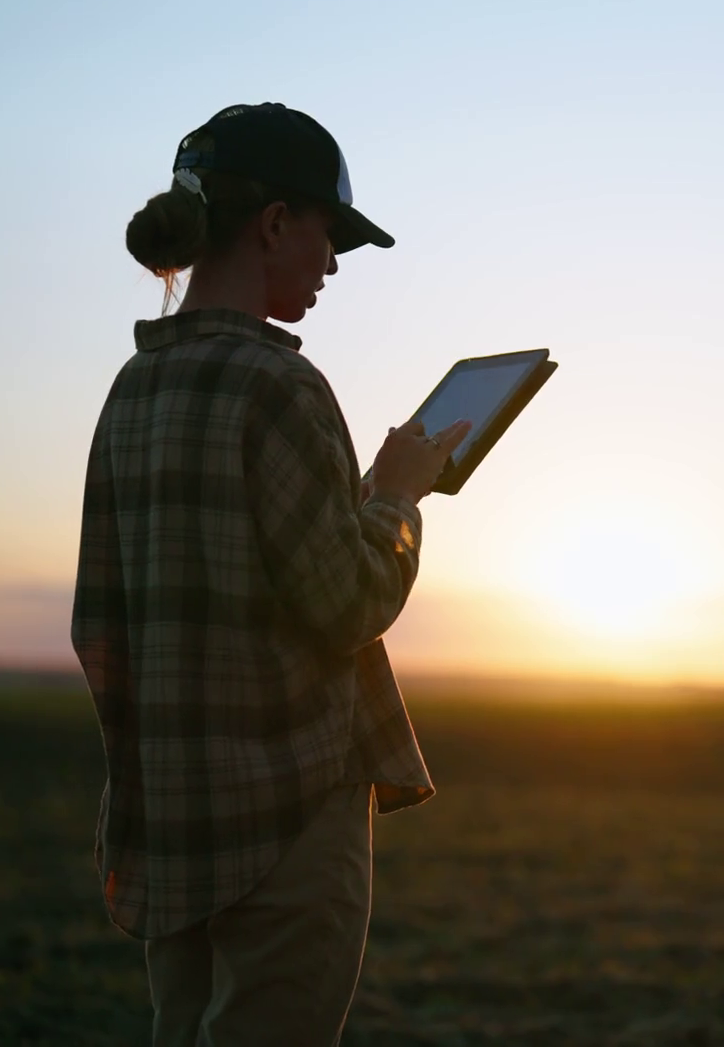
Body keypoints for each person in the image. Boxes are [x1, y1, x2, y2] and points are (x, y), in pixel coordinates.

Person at [71, 102, 470, 1047]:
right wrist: (399, 500)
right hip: (287, 817)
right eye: (329, 234)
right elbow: (346, 604)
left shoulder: (134, 388)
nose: (333, 263)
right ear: (276, 223)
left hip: (171, 816)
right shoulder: (281, 385)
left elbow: (100, 622)